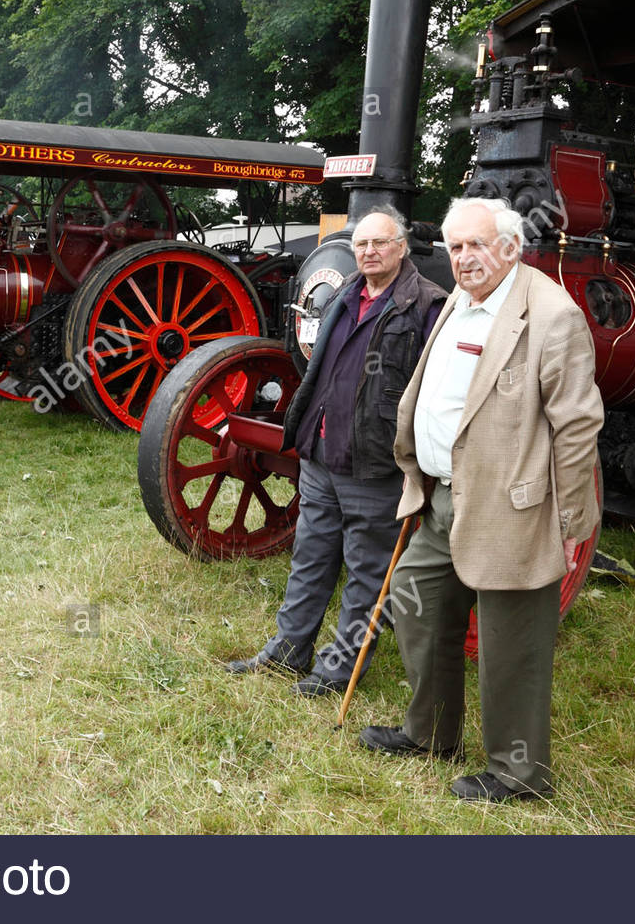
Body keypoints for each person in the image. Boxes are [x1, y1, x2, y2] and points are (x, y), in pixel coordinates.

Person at [358, 197, 603, 803]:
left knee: (510, 646)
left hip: (513, 509)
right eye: (455, 246)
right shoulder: (459, 302)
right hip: (443, 498)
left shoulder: (552, 315)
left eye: (477, 244)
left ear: (512, 246)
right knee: (417, 609)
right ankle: (430, 733)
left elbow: (577, 425)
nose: (464, 258)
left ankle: (520, 776)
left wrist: (572, 522)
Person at [227, 206, 448, 696]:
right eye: (361, 244)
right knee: (310, 557)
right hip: (320, 456)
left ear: (402, 248)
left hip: (374, 464)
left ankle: (339, 670)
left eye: (380, 243)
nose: (369, 252)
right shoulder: (344, 296)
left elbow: (437, 394)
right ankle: (288, 650)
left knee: (367, 573)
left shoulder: (428, 306)